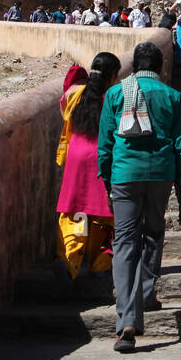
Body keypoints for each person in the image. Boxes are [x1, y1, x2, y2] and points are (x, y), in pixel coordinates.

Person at [98, 41, 181, 354]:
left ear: (135, 65)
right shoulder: (174, 96)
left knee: (125, 243)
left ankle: (127, 319)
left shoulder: (115, 93)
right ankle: (147, 294)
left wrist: (107, 179)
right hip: (161, 175)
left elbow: (105, 146)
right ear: (161, 66)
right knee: (153, 234)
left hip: (125, 174)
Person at [56, 53, 121, 280]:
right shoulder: (112, 97)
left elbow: (63, 102)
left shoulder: (75, 94)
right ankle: (101, 264)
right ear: (112, 75)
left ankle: (70, 258)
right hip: (101, 155)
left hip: (76, 154)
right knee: (103, 213)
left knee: (74, 209)